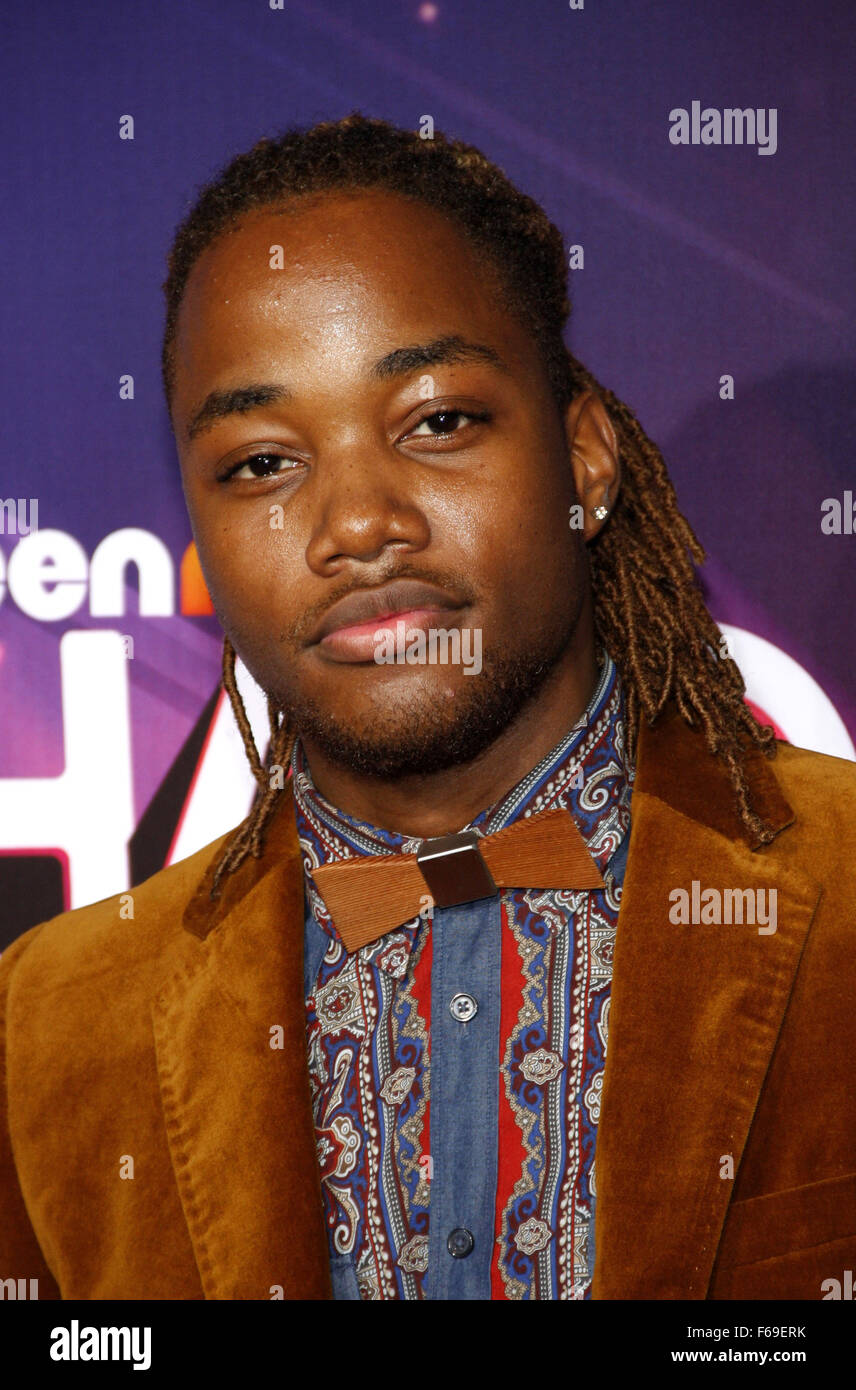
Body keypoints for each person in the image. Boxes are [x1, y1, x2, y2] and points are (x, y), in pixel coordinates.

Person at [2, 114, 855, 1302]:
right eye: (261, 462)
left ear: (587, 460)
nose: (357, 525)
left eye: (437, 421)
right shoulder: (49, 1031)